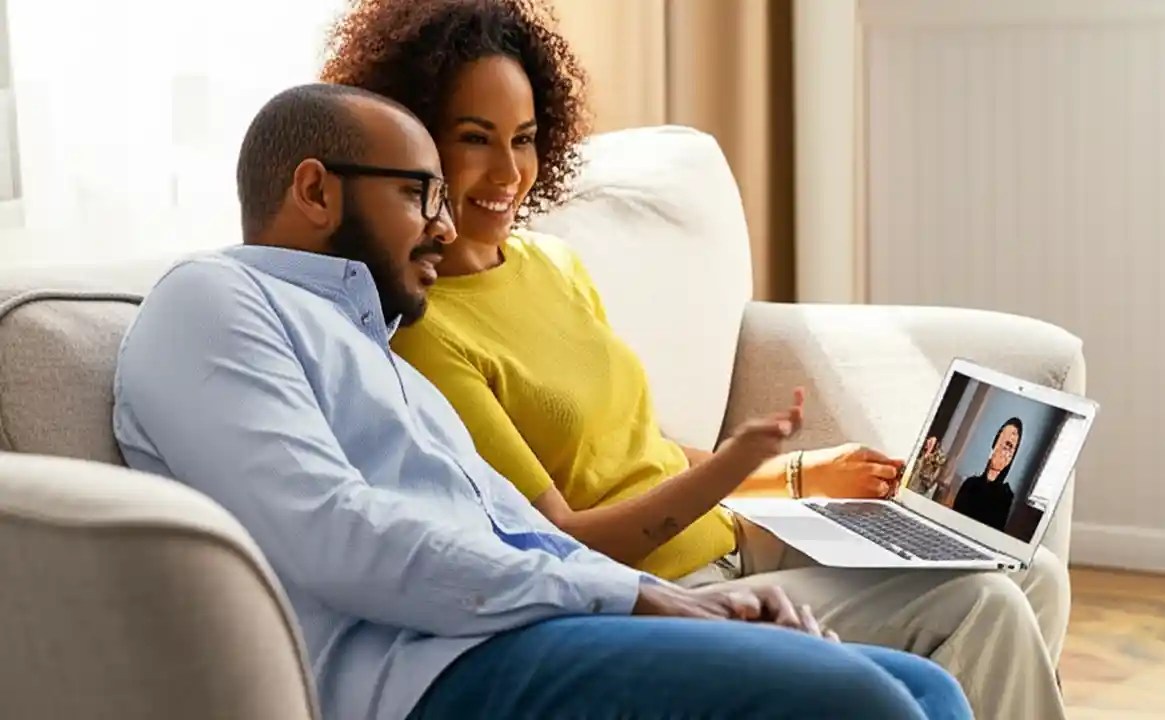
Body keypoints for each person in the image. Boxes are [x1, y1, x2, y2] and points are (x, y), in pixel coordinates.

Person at [112, 83, 971, 720]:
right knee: (862, 701)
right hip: (427, 672)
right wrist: (642, 599)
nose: (446, 227)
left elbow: (521, 537)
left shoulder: (385, 360)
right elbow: (337, 534)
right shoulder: (213, 301)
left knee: (923, 688)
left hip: (530, 630)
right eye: (418, 194)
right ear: (314, 190)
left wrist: (694, 603)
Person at [320, 2, 1070, 718]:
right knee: (984, 607)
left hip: (737, 541)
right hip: (666, 595)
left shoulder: (551, 265)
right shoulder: (425, 335)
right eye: (476, 138)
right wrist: (741, 467)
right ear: (417, 143)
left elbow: (647, 451)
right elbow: (559, 540)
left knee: (1028, 570)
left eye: (523, 138)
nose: (509, 172)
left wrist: (808, 475)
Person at [952, 418, 1022, 531]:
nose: (1002, 451)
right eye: (1000, 442)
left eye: (1009, 446)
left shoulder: (1005, 498)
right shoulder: (970, 484)